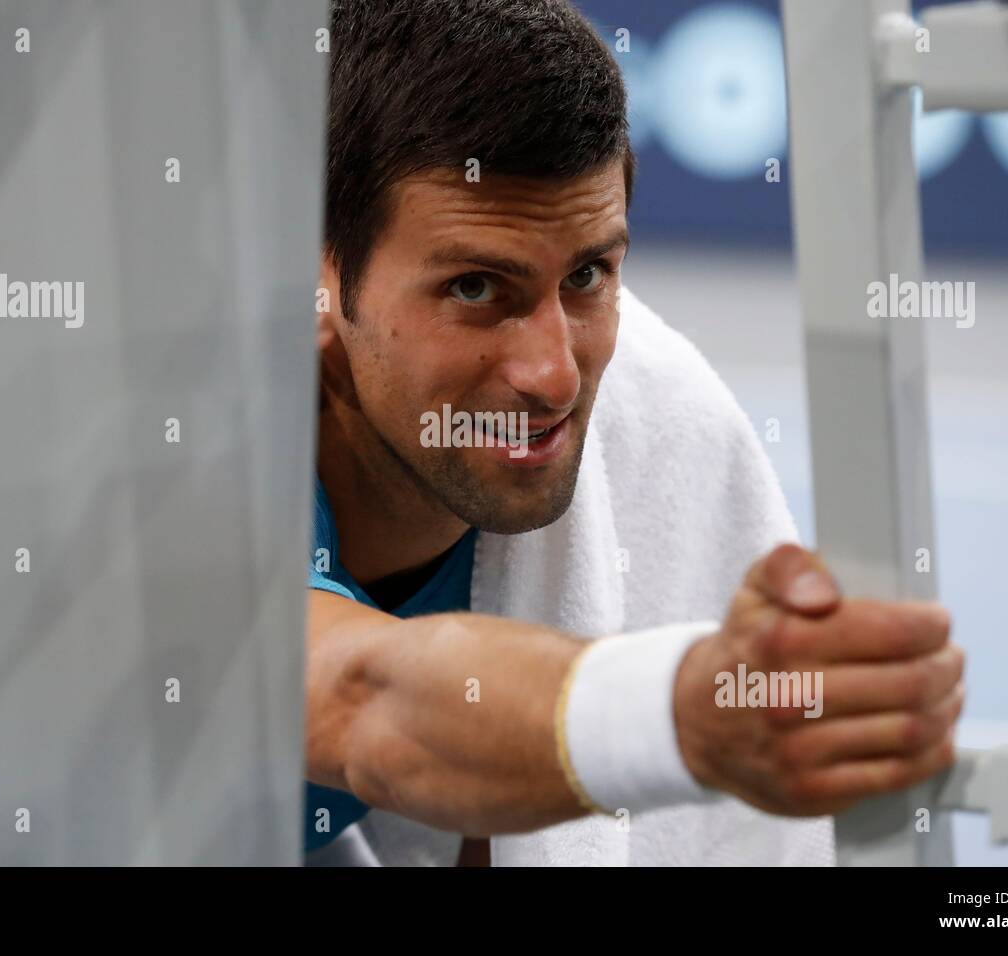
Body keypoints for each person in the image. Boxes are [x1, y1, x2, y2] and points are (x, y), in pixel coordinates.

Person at [305, 0, 964, 866]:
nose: (556, 376)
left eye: (588, 275)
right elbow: (366, 704)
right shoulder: (161, 455)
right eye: (475, 289)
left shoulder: (661, 411)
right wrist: (680, 715)